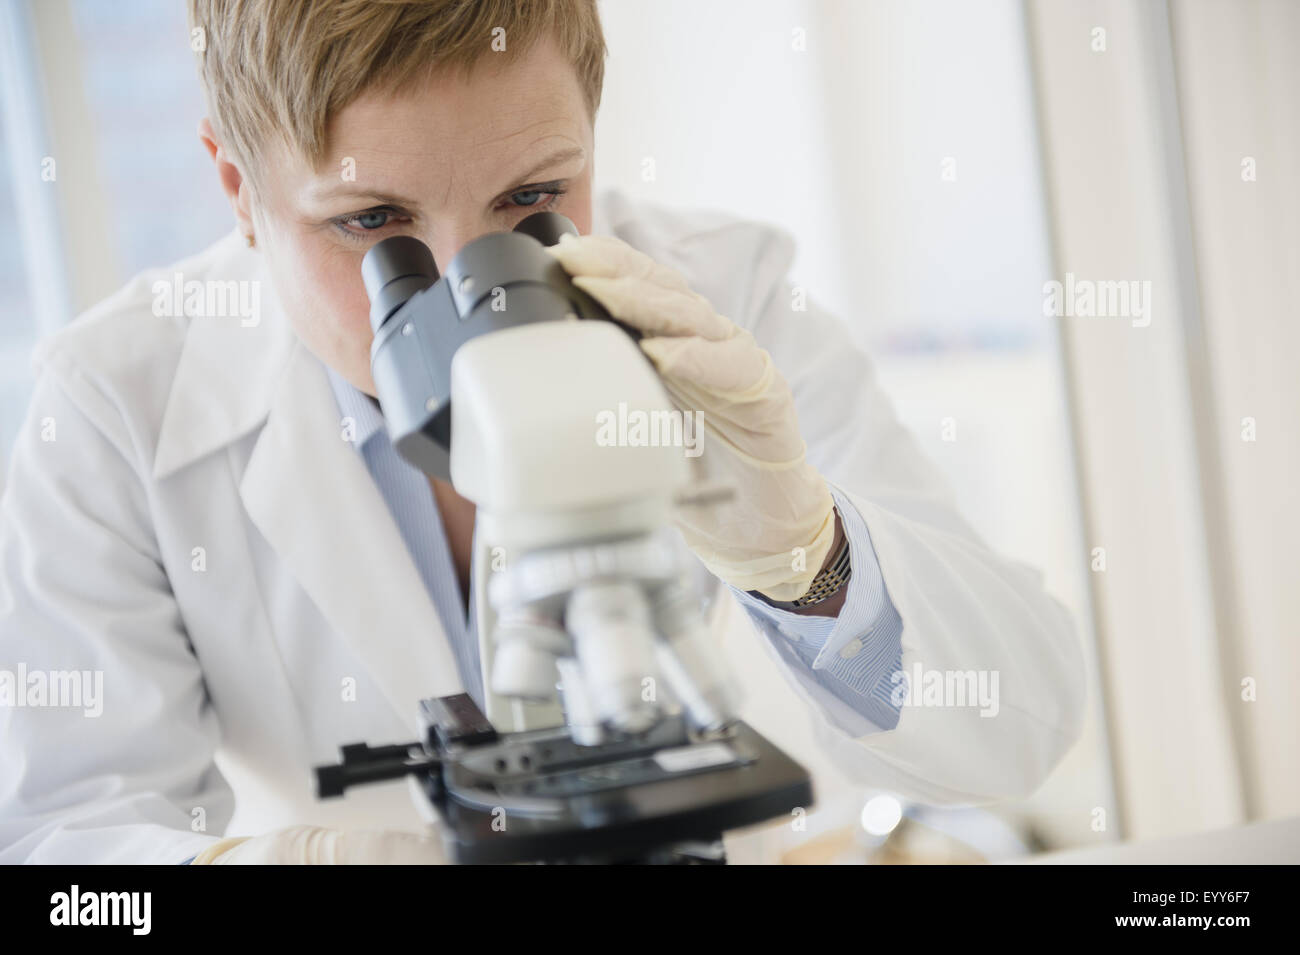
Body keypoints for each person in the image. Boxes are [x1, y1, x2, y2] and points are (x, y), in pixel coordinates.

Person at [0, 0, 1084, 864]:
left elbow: (1014, 720)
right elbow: (66, 863)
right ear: (238, 190)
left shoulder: (728, 300)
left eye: (533, 199)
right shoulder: (112, 408)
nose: (468, 292)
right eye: (375, 226)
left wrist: (808, 557)